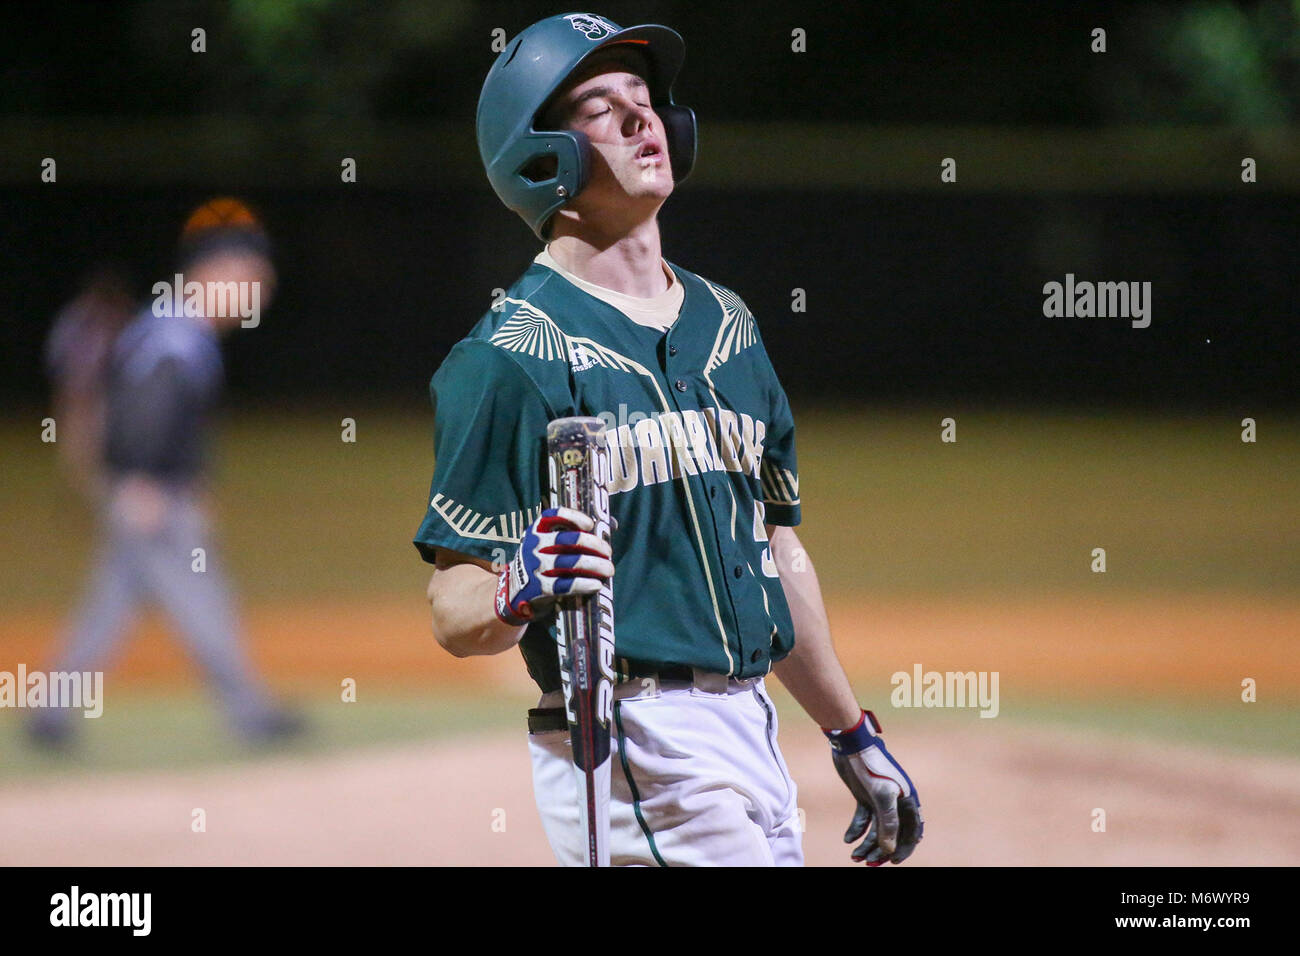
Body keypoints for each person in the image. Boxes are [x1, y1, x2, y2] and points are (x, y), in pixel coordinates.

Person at [414, 13, 922, 866]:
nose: (641, 119)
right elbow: (453, 611)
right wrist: (517, 586)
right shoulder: (510, 358)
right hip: (630, 743)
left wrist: (849, 730)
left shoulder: (728, 323)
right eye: (599, 107)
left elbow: (773, 551)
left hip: (748, 731)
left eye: (644, 100)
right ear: (543, 157)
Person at [28, 199, 304, 748]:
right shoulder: (177, 333)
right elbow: (142, 406)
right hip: (149, 492)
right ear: (213, 275)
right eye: (250, 279)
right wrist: (142, 481)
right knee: (200, 595)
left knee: (114, 598)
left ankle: (51, 711)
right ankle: (250, 712)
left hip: (149, 487)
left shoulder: (174, 326)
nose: (258, 293)